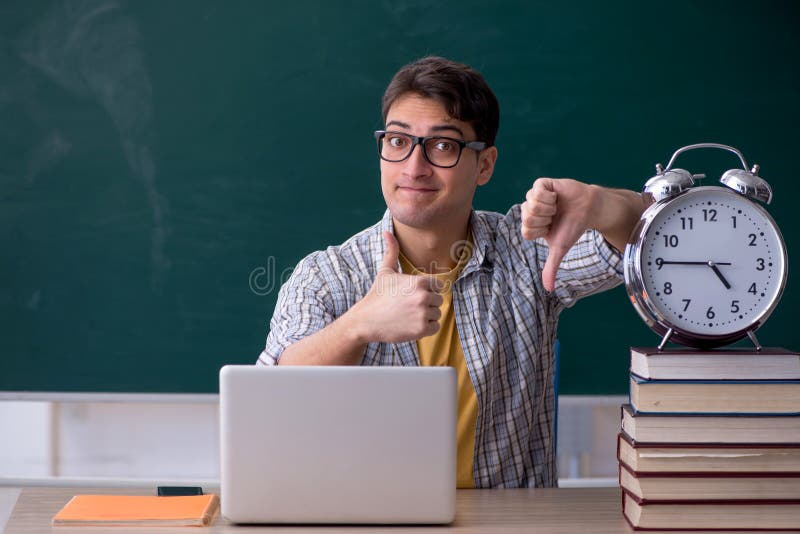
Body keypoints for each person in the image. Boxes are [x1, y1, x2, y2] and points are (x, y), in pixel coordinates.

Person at [257, 56, 650, 488]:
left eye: (443, 146)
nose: (413, 167)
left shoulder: (527, 251)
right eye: (397, 141)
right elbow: (273, 399)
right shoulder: (326, 275)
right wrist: (358, 326)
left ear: (485, 165)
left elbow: (651, 240)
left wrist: (603, 204)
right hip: (370, 521)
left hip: (508, 523)